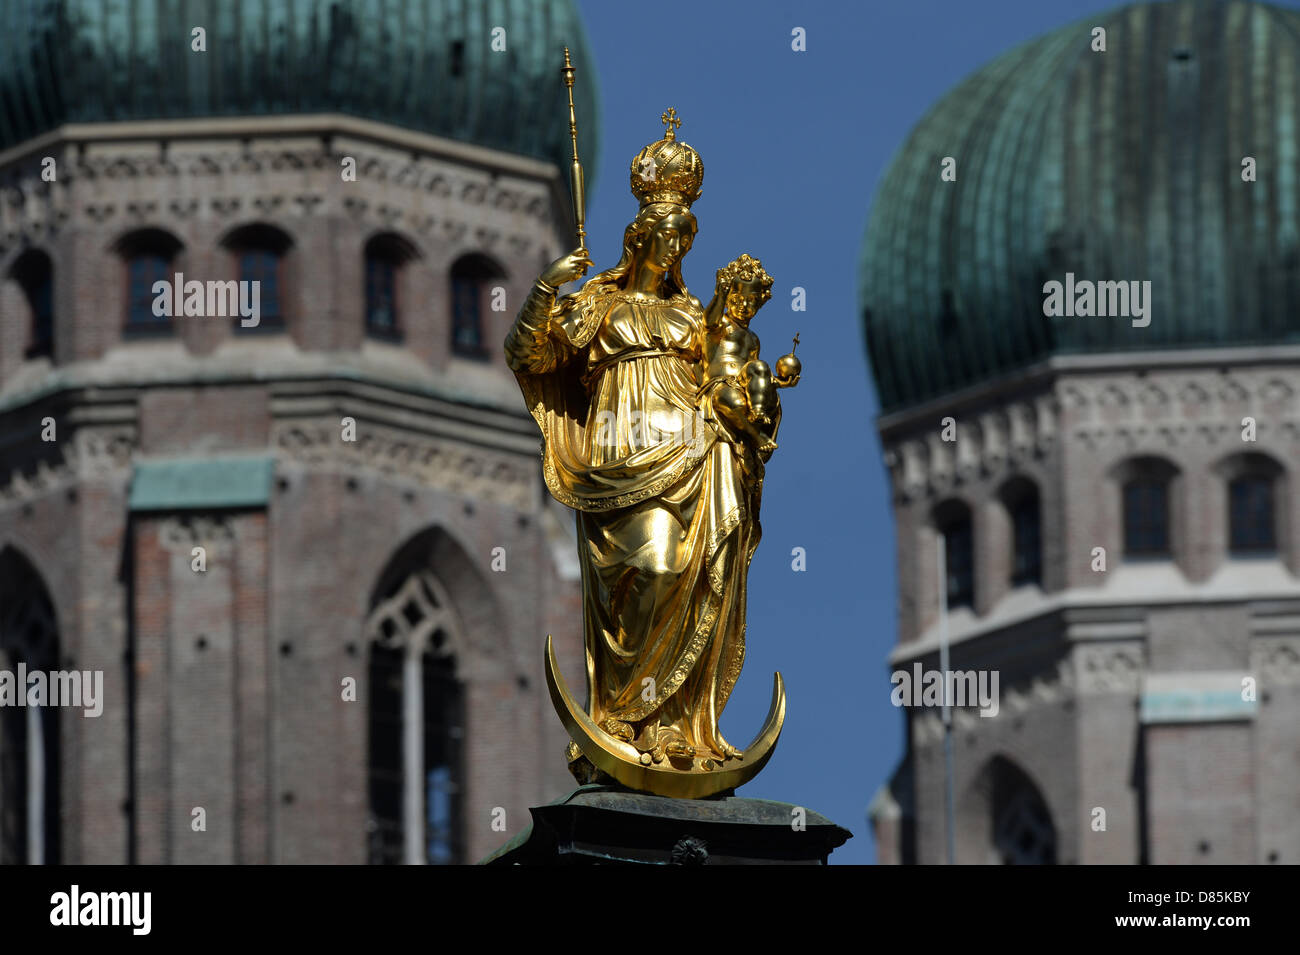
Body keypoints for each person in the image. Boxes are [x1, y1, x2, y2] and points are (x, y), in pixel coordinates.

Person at [504, 112, 779, 773]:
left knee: (698, 569)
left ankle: (677, 731)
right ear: (638, 236)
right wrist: (547, 287)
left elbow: (730, 386)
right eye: (663, 233)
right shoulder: (598, 305)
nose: (673, 247)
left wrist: (749, 400)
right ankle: (622, 717)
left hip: (692, 456)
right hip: (620, 454)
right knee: (649, 567)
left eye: (684, 236)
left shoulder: (693, 317)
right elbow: (528, 354)